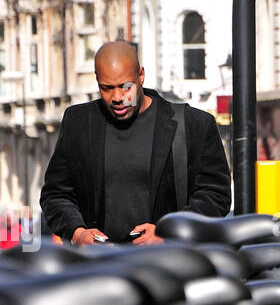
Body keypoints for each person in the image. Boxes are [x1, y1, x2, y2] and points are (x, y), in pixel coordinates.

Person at [40, 41, 231, 246]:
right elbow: (55, 195)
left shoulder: (194, 124)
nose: (117, 97)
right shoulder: (78, 122)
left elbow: (216, 195)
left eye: (125, 87)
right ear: (97, 81)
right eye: (106, 88)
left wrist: (169, 232)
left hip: (169, 265)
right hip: (99, 266)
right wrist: (78, 234)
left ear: (141, 75)